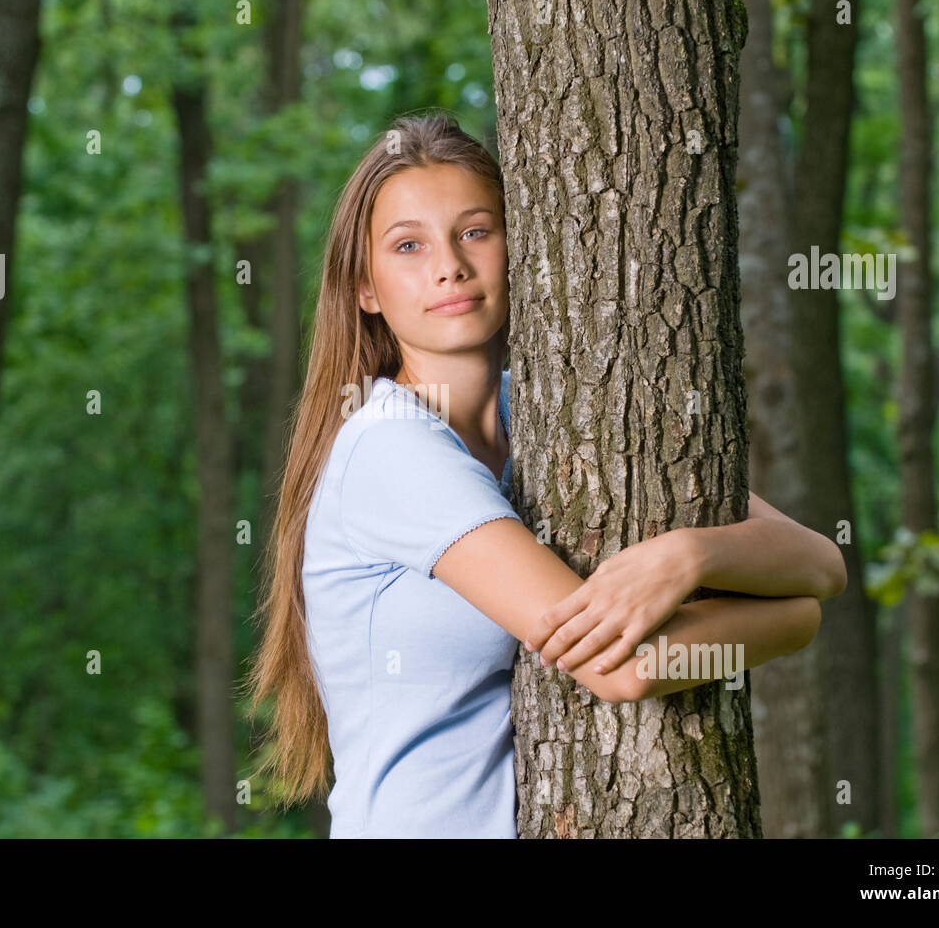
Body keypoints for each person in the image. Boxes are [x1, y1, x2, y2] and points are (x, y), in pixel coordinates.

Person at [244, 112, 847, 838]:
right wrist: (795, 616)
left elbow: (821, 561)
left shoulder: (546, 415)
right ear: (365, 289)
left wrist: (691, 554)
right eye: (408, 246)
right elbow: (621, 669)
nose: (449, 267)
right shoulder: (390, 446)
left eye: (475, 231)